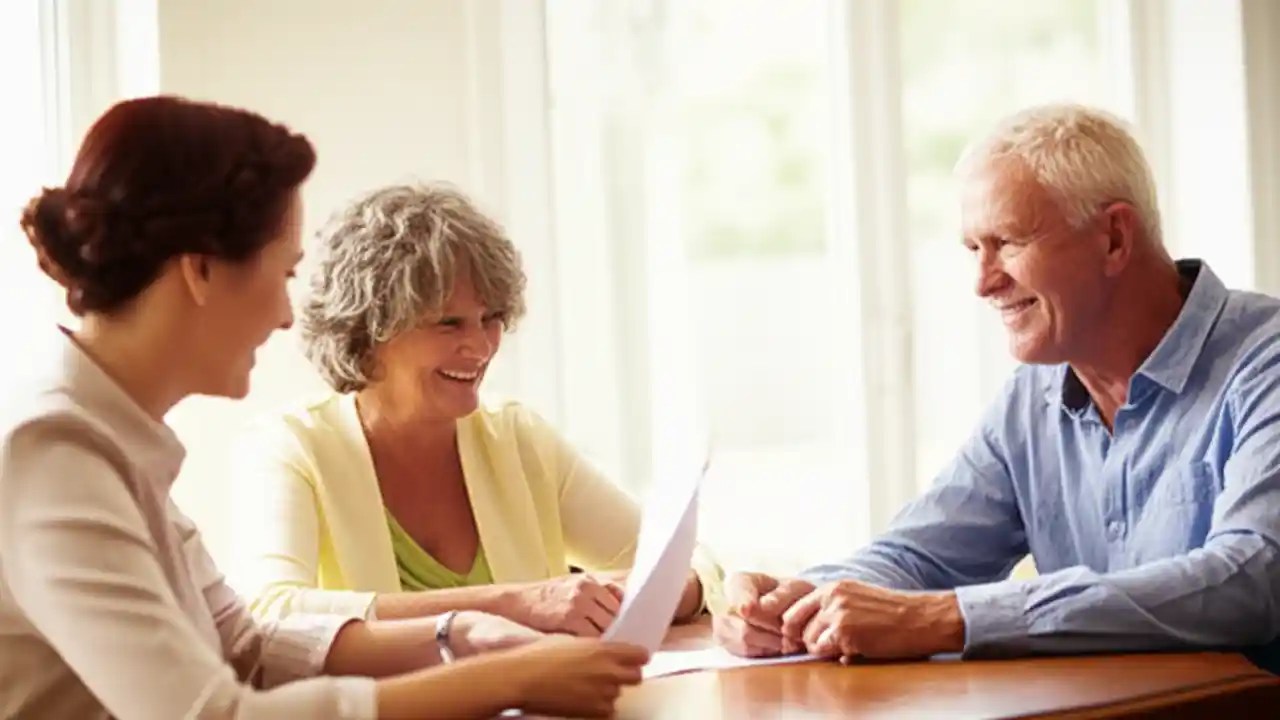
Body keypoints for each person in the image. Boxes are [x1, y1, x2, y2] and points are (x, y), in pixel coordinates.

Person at [0, 95, 648, 720]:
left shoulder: (111, 444)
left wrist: (460, 633)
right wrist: (501, 679)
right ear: (199, 270)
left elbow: (246, 645)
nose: (286, 316)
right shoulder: (53, 454)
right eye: (283, 275)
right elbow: (213, 715)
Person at [712, 103, 1280, 669]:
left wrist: (947, 619)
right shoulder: (1032, 398)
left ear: (1112, 238)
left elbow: (1253, 578)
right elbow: (918, 556)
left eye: (1007, 242)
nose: (983, 283)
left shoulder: (1264, 361)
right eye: (972, 249)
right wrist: (796, 605)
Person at [233, 182, 722, 635]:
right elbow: (272, 612)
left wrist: (637, 594)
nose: (482, 347)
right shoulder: (292, 447)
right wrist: (519, 602)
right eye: (449, 324)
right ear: (369, 331)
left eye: (491, 319)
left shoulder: (517, 438)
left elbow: (685, 565)